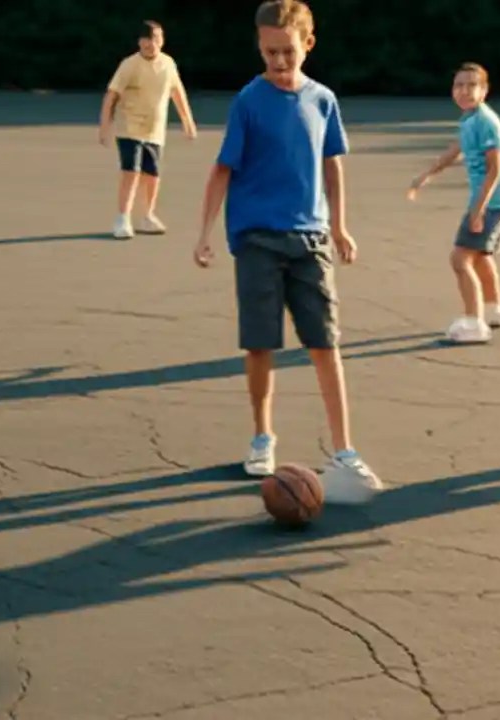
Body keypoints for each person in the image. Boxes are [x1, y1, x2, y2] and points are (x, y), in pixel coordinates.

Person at [191, 0, 382, 504]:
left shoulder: (323, 100)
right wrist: (205, 232)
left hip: (311, 240)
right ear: (259, 47)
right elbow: (222, 169)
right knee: (261, 344)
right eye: (270, 51)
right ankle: (262, 437)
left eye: (288, 51)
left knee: (326, 344)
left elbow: (333, 163)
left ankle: (343, 450)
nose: (279, 61)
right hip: (256, 238)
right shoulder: (249, 101)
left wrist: (339, 226)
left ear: (308, 45)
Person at [408, 62, 500, 344]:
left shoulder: (485, 122)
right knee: (480, 255)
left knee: (459, 259)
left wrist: (478, 210)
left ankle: (473, 323)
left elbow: (495, 167)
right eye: (459, 85)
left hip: (495, 199)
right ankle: (494, 310)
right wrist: (427, 175)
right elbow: (456, 150)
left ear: (484, 91)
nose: (464, 91)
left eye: (472, 85)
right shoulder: (470, 119)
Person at [99, 20, 197, 239]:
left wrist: (188, 122)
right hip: (129, 128)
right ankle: (123, 217)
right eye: (146, 39)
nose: (150, 44)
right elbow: (111, 95)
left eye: (155, 39)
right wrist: (105, 125)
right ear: (139, 42)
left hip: (155, 130)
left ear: (161, 40)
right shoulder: (129, 65)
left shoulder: (168, 64)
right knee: (131, 172)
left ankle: (148, 216)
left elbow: (177, 93)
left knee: (153, 174)